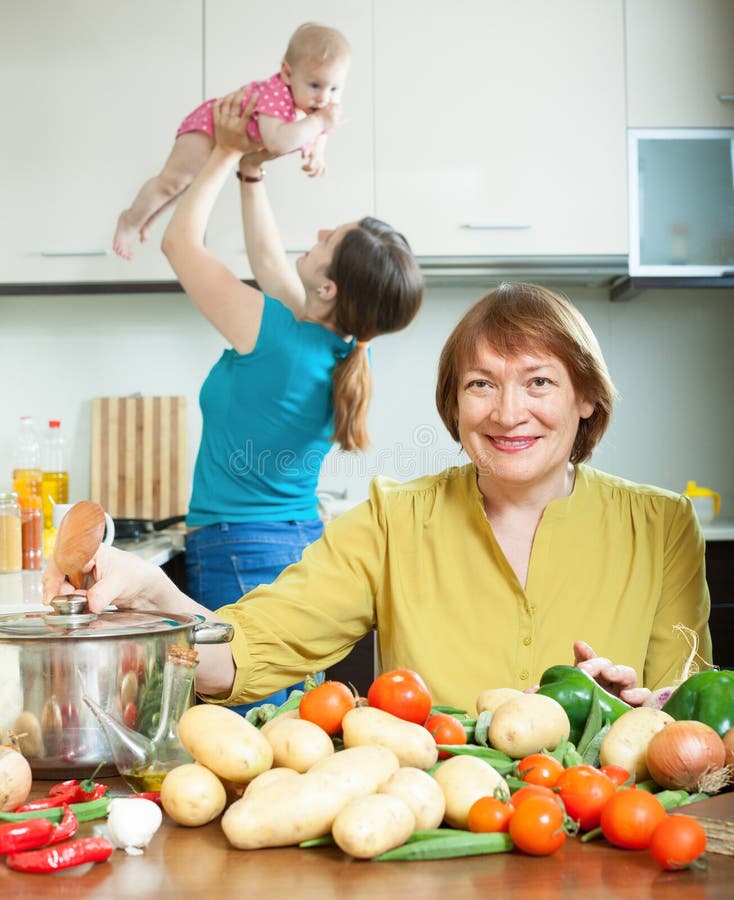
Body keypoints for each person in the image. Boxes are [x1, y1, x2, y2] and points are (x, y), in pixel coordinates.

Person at [43, 283, 711, 714]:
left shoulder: (661, 526)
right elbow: (248, 650)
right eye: (481, 384)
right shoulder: (395, 520)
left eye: (539, 382)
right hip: (427, 821)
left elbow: (696, 713)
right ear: (454, 403)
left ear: (586, 397)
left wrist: (642, 711)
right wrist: (155, 594)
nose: (509, 413)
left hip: (611, 824)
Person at [149, 88, 420, 709]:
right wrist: (250, 171)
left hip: (240, 546)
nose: (320, 228)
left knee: (246, 722)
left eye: (332, 236)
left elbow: (178, 245)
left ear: (327, 287)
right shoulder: (343, 345)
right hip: (294, 542)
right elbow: (270, 259)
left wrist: (221, 148)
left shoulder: (274, 335)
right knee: (294, 718)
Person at [113, 22, 350, 259]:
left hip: (226, 139)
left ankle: (148, 218)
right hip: (208, 129)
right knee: (172, 182)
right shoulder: (276, 93)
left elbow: (320, 133)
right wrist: (319, 122)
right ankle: (130, 220)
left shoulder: (312, 107)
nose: (323, 98)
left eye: (334, 88)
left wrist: (317, 153)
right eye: (315, 85)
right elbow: (278, 142)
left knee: (184, 187)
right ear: (287, 73)